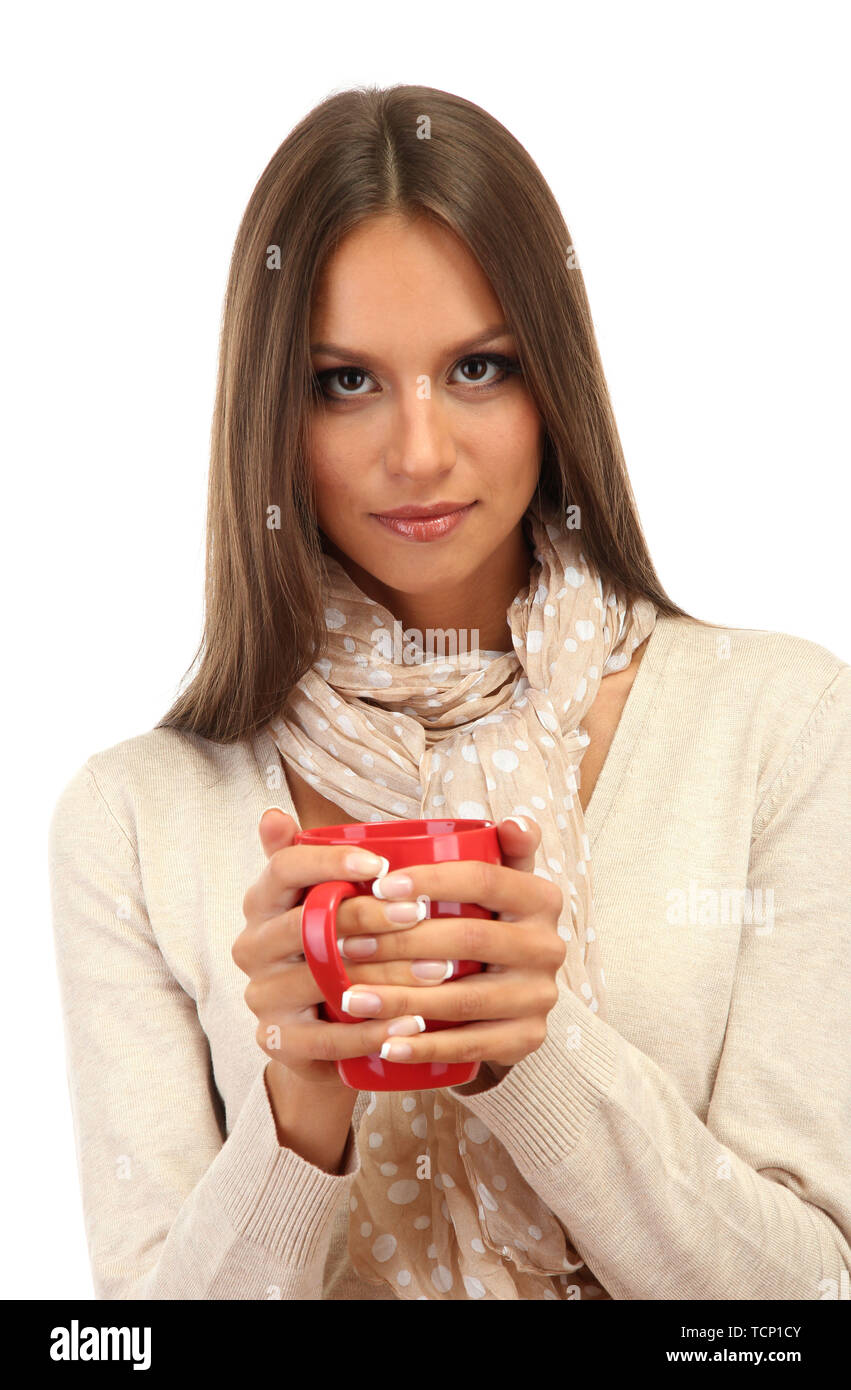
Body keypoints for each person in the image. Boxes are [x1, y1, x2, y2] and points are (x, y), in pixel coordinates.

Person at [48, 84, 850, 1301]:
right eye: (344, 382)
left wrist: (539, 1054)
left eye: (477, 366)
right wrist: (297, 1108)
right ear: (272, 407)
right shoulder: (134, 818)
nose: (418, 452)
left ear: (553, 382)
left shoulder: (776, 725)